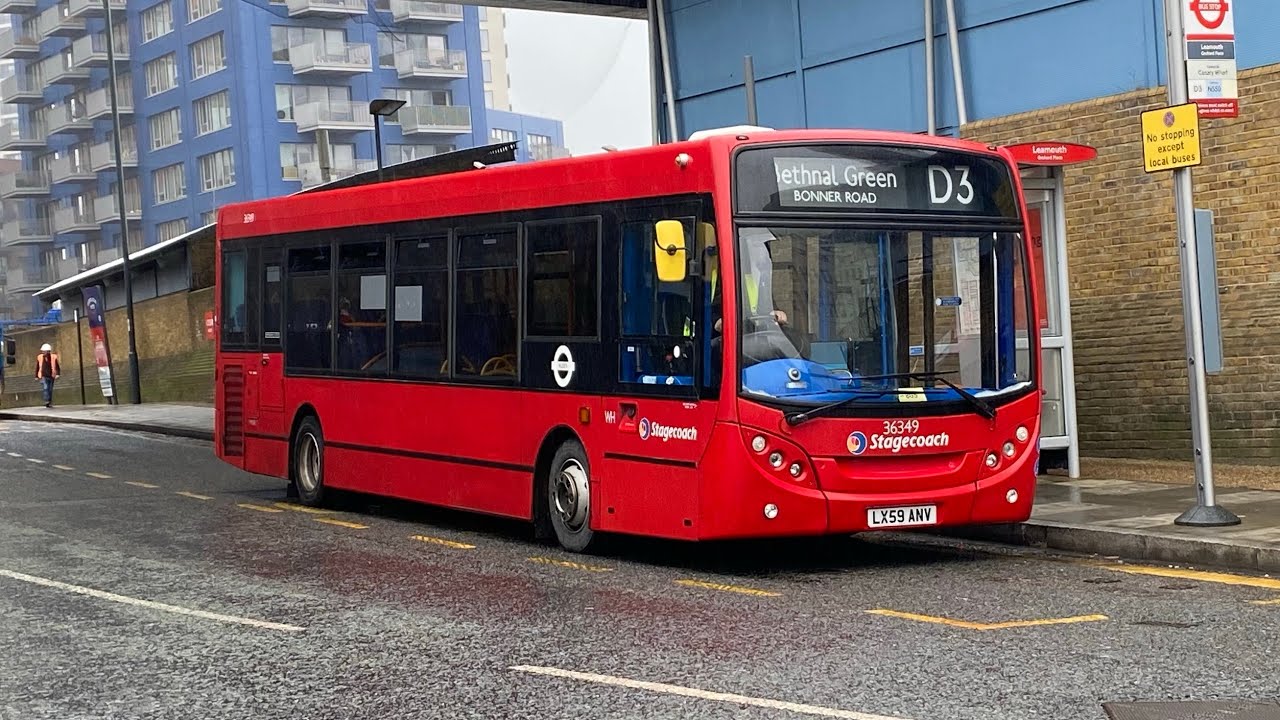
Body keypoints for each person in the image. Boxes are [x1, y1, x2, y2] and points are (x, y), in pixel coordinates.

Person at [34, 342, 60, 408]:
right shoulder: (40, 357)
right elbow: (37, 367)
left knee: (50, 389)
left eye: (44, 351)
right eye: (42, 351)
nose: (43, 352)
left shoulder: (53, 357)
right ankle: (46, 401)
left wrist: (57, 374)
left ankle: (49, 401)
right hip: (43, 376)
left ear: (48, 351)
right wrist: (36, 376)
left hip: (51, 376)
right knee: (45, 388)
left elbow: (57, 366)